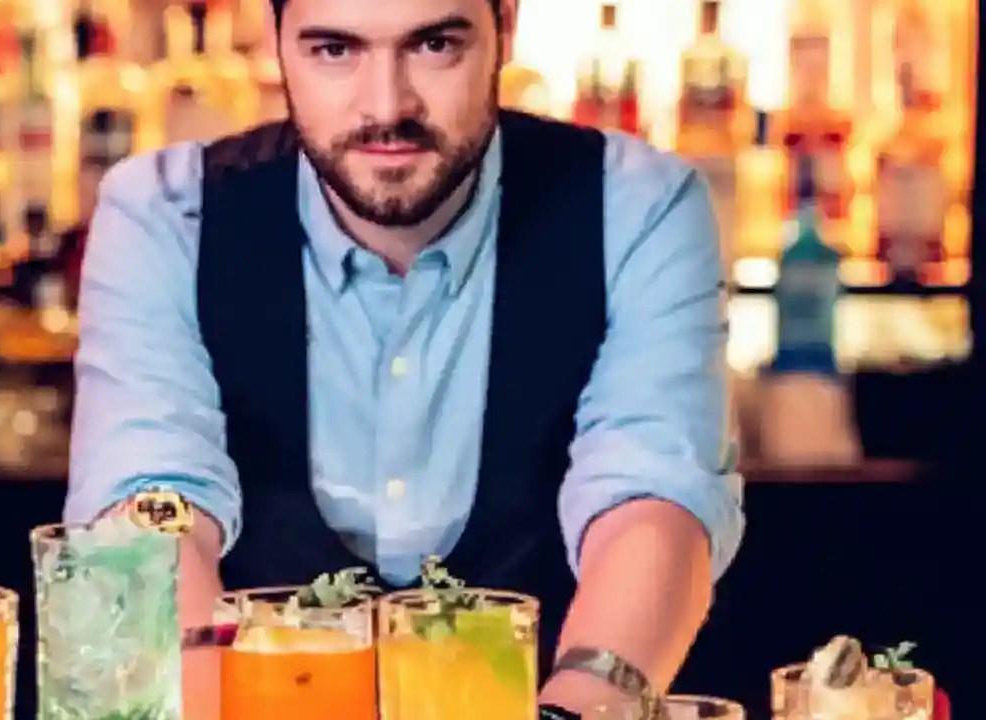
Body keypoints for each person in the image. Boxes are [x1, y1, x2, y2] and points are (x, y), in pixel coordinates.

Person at [64, 0, 745, 715]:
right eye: (335, 50)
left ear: (506, 28)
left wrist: (575, 708)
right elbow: (152, 507)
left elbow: (651, 500)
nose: (387, 106)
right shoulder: (167, 215)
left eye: (434, 45)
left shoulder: (636, 207)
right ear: (274, 42)